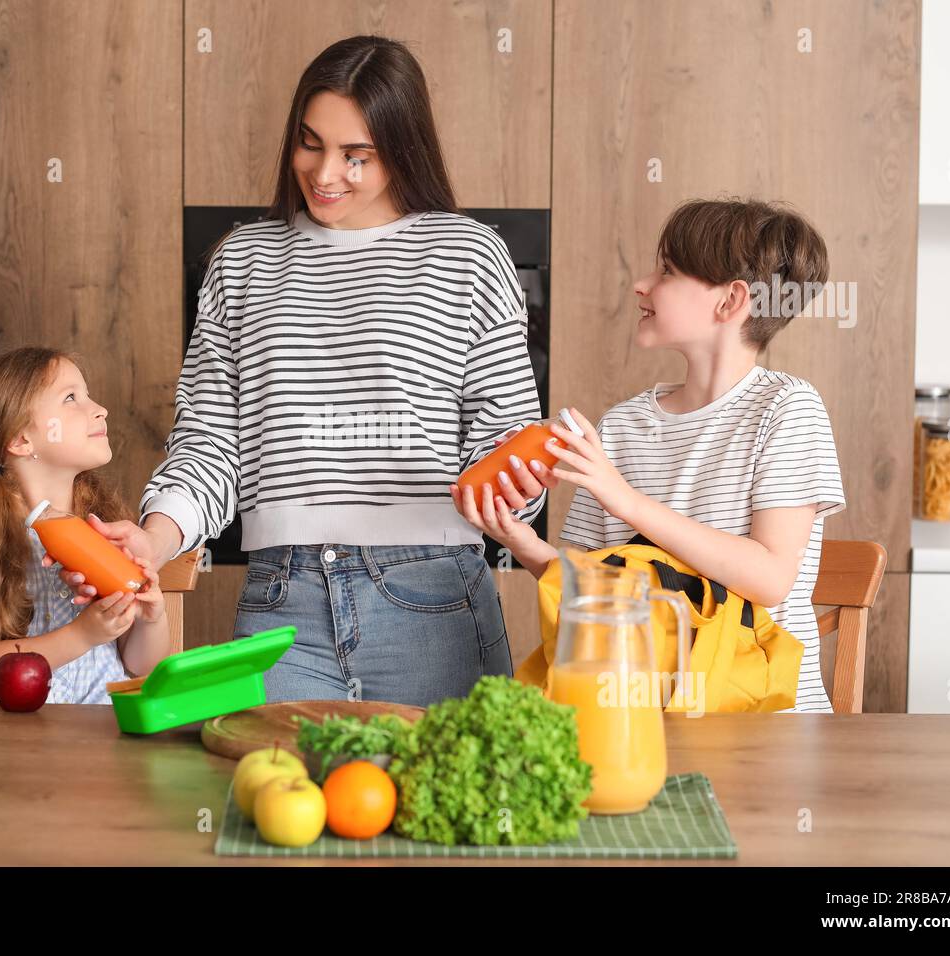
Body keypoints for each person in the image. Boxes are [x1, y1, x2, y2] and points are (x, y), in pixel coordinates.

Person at [54, 36, 547, 707]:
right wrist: (153, 538)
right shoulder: (244, 261)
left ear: (401, 150)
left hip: (435, 596)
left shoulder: (467, 254)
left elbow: (507, 443)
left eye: (357, 156)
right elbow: (209, 445)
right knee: (264, 804)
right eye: (310, 143)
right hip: (282, 599)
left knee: (435, 806)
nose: (325, 173)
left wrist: (513, 485)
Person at [456, 198, 846, 713]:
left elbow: (769, 578)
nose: (642, 284)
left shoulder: (787, 409)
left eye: (667, 270)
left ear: (730, 301)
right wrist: (518, 539)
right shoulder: (623, 424)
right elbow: (590, 587)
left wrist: (625, 500)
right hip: (639, 716)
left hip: (765, 723)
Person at [0, 347, 170, 704]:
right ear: (20, 439)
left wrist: (149, 618)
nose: (100, 409)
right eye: (71, 398)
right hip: (4, 742)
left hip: (97, 738)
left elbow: (146, 664)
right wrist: (82, 635)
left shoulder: (107, 527)